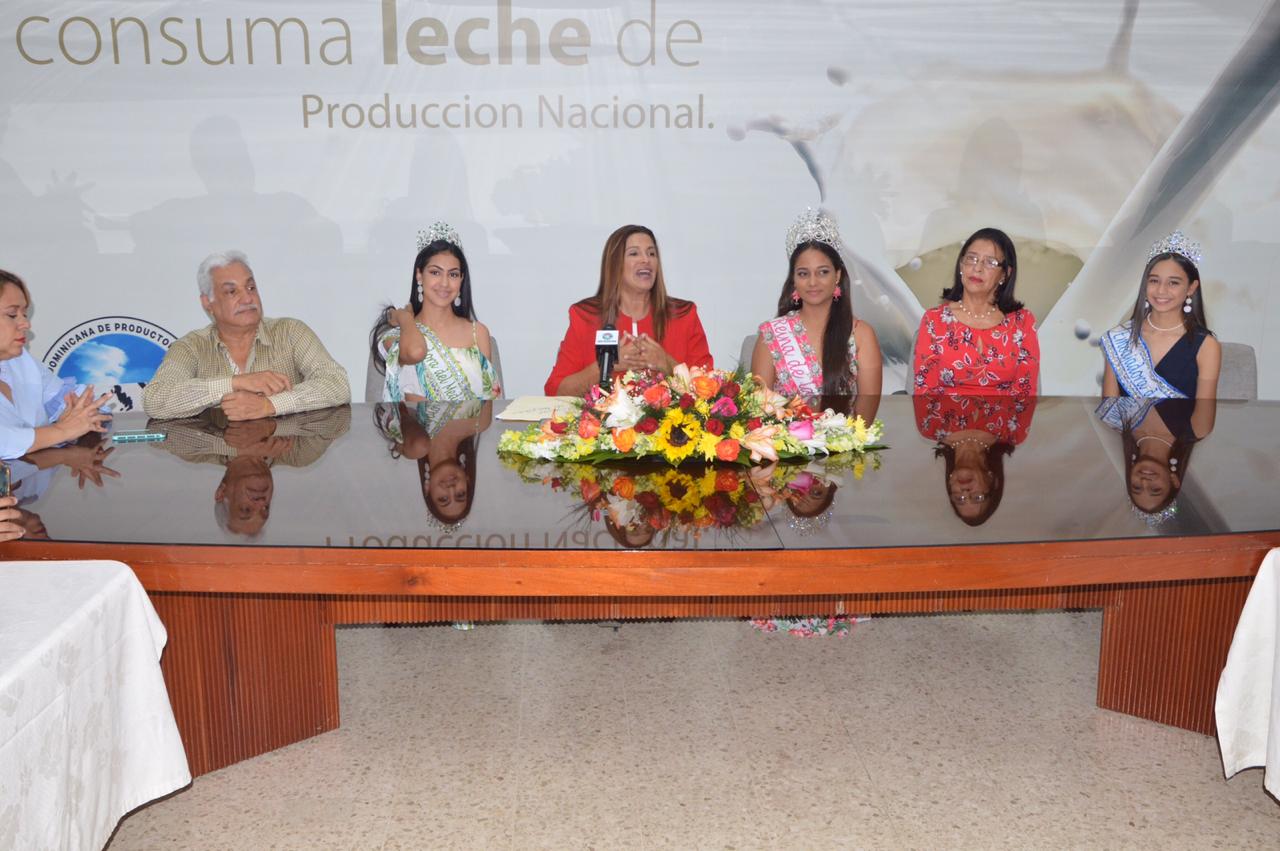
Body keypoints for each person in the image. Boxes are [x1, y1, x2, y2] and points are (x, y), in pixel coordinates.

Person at [143, 251, 350, 421]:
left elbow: (337, 383)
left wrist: (271, 405)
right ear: (208, 303)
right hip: (217, 462)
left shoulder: (290, 332)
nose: (247, 297)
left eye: (251, 287)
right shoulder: (191, 347)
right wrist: (234, 383)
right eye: (232, 292)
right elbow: (156, 400)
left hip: (280, 456)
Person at [545, 225, 712, 396]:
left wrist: (667, 364)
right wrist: (607, 365)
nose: (646, 260)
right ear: (615, 264)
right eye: (634, 253)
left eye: (651, 253)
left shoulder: (684, 316)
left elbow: (711, 393)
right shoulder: (585, 316)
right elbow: (556, 390)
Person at [150, 405, 351, 537]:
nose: (261, 503)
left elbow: (155, 432)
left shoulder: (196, 453)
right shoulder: (297, 453)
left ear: (221, 493)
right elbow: (340, 417)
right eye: (266, 509)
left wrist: (234, 447)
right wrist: (274, 427)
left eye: (246, 509)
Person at [752, 209, 882, 401]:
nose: (813, 282)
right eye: (803, 273)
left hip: (848, 431)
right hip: (784, 431)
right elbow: (759, 409)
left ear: (837, 276)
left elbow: (865, 419)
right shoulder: (771, 335)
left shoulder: (861, 335)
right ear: (794, 279)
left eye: (822, 272)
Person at [369, 223, 501, 402]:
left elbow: (489, 404)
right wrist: (406, 319)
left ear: (461, 279)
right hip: (417, 430)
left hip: (473, 430)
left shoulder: (478, 333)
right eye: (435, 273)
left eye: (453, 275)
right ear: (419, 275)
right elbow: (416, 351)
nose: (444, 283)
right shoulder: (397, 335)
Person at [912, 228, 1039, 397]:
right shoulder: (934, 320)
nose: (977, 268)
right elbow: (925, 392)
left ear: (1005, 274)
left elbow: (1024, 394)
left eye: (990, 262)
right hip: (945, 421)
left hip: (1004, 421)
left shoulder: (1022, 322)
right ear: (961, 266)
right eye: (971, 259)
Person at [0, 269, 112, 460]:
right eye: (12, 315)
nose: (25, 324)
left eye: (24, 314)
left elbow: (71, 403)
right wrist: (62, 431)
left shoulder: (20, 362)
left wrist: (80, 414)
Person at [1101, 231, 1221, 399]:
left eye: (1173, 283)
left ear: (1191, 288)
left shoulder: (1206, 345)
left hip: (1183, 427)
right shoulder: (1119, 338)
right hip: (1128, 427)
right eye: (1154, 281)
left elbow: (1204, 421)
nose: (1161, 290)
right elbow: (1111, 411)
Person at [915, 394, 1036, 526]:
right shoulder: (1014, 431)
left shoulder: (929, 426)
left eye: (959, 499)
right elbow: (1026, 383)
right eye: (977, 497)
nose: (965, 492)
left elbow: (924, 380)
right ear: (992, 481)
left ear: (949, 484)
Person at [1096, 395, 1215, 527]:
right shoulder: (1198, 428)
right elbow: (1208, 375)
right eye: (1155, 489)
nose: (1144, 481)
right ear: (1174, 481)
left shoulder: (1116, 420)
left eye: (1136, 487)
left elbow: (1113, 373)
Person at [374, 399, 492, 530]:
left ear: (427, 489)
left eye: (443, 498)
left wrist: (415, 446)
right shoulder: (481, 421)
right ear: (468, 481)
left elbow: (383, 399)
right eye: (460, 494)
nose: (451, 488)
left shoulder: (415, 444)